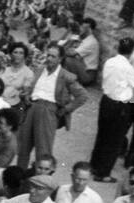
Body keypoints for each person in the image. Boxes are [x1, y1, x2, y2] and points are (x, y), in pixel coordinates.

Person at [14, 43, 86, 172]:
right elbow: (32, 88)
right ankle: (19, 179)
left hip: (48, 111)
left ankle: (40, 181)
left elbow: (82, 96)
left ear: (60, 59)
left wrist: (66, 109)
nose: (49, 59)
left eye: (53, 56)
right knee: (23, 147)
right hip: (31, 108)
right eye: (48, 55)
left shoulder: (65, 76)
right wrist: (26, 95)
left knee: (43, 151)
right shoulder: (40, 70)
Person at [90, 36, 134, 180]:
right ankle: (103, 173)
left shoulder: (110, 62)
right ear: (131, 51)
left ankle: (94, 165)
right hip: (120, 106)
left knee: (102, 134)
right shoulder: (127, 67)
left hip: (106, 101)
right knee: (114, 140)